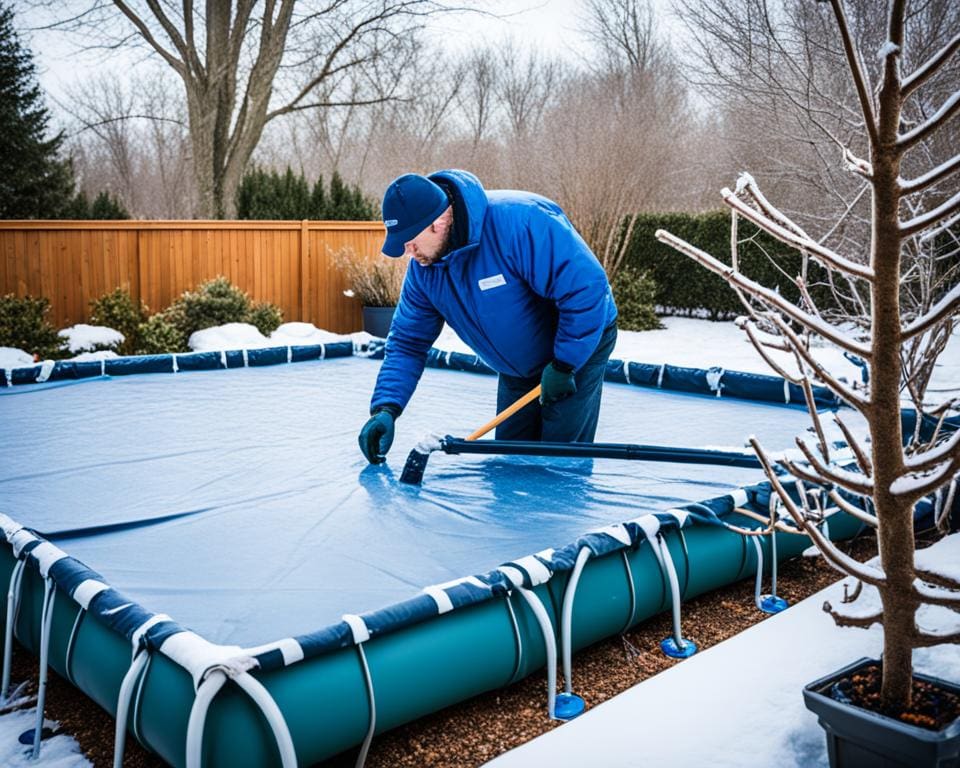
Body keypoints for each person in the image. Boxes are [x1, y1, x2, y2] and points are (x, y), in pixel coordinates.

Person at [358, 169, 618, 464]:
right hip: (517, 363)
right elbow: (407, 343)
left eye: (411, 241)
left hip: (578, 344)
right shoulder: (424, 272)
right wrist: (386, 409)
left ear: (439, 221)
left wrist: (565, 364)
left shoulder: (520, 222)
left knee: (559, 458)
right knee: (510, 456)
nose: (407, 251)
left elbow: (586, 289)